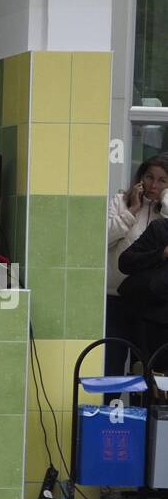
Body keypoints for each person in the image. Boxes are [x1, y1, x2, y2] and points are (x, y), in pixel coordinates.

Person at [107, 156, 168, 373]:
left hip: (150, 303)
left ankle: (141, 407)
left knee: (144, 368)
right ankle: (109, 406)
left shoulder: (166, 215)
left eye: (162, 180)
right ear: (140, 178)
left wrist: (165, 207)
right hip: (116, 297)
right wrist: (132, 209)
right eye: (149, 177)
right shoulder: (121, 201)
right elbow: (103, 239)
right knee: (111, 363)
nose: (153, 185)